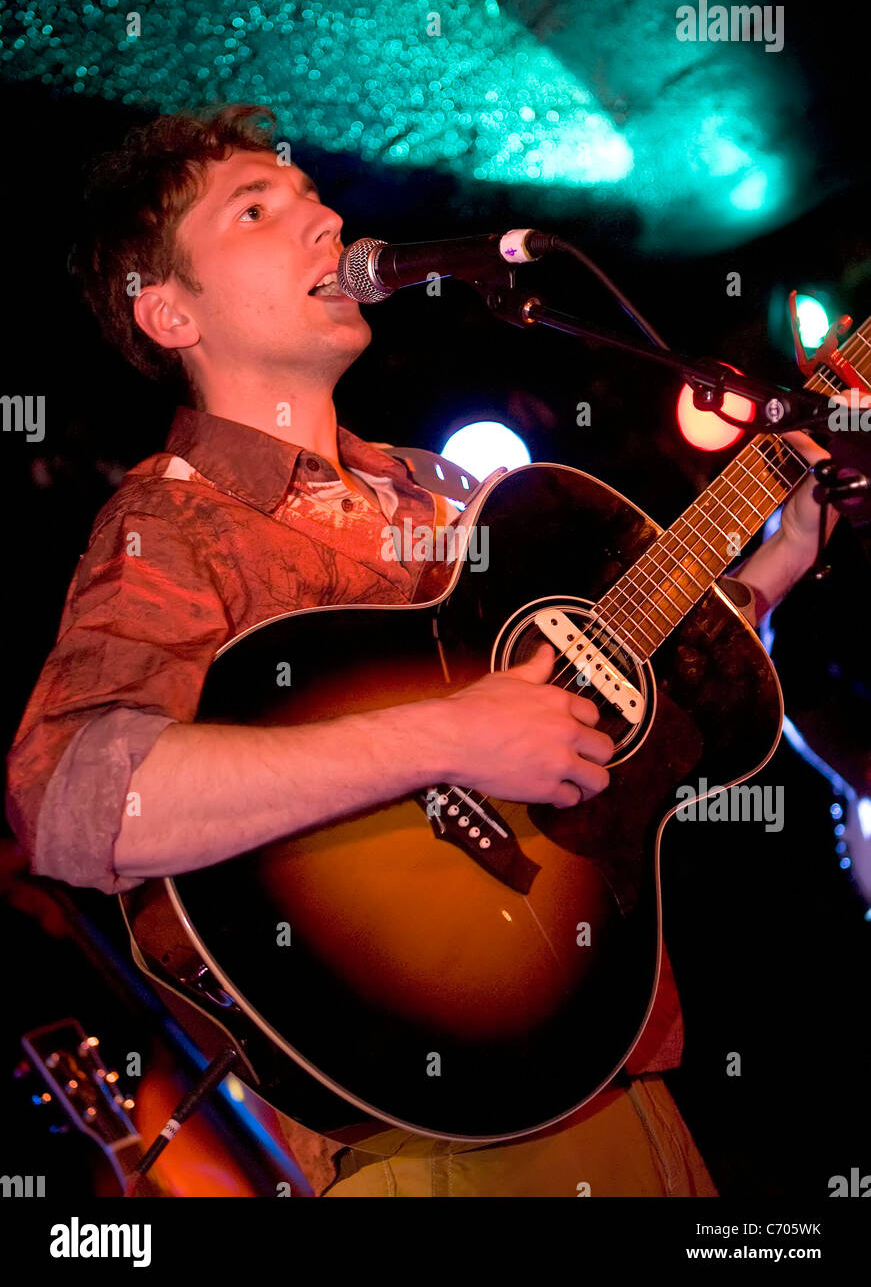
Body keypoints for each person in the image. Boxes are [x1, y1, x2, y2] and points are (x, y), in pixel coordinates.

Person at [5, 102, 839, 1198]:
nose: (323, 219)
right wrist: (444, 736)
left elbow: (627, 692)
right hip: (430, 1145)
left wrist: (785, 551)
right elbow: (71, 800)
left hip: (617, 1071)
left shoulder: (444, 489)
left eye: (313, 197)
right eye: (258, 209)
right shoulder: (175, 520)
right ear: (168, 313)